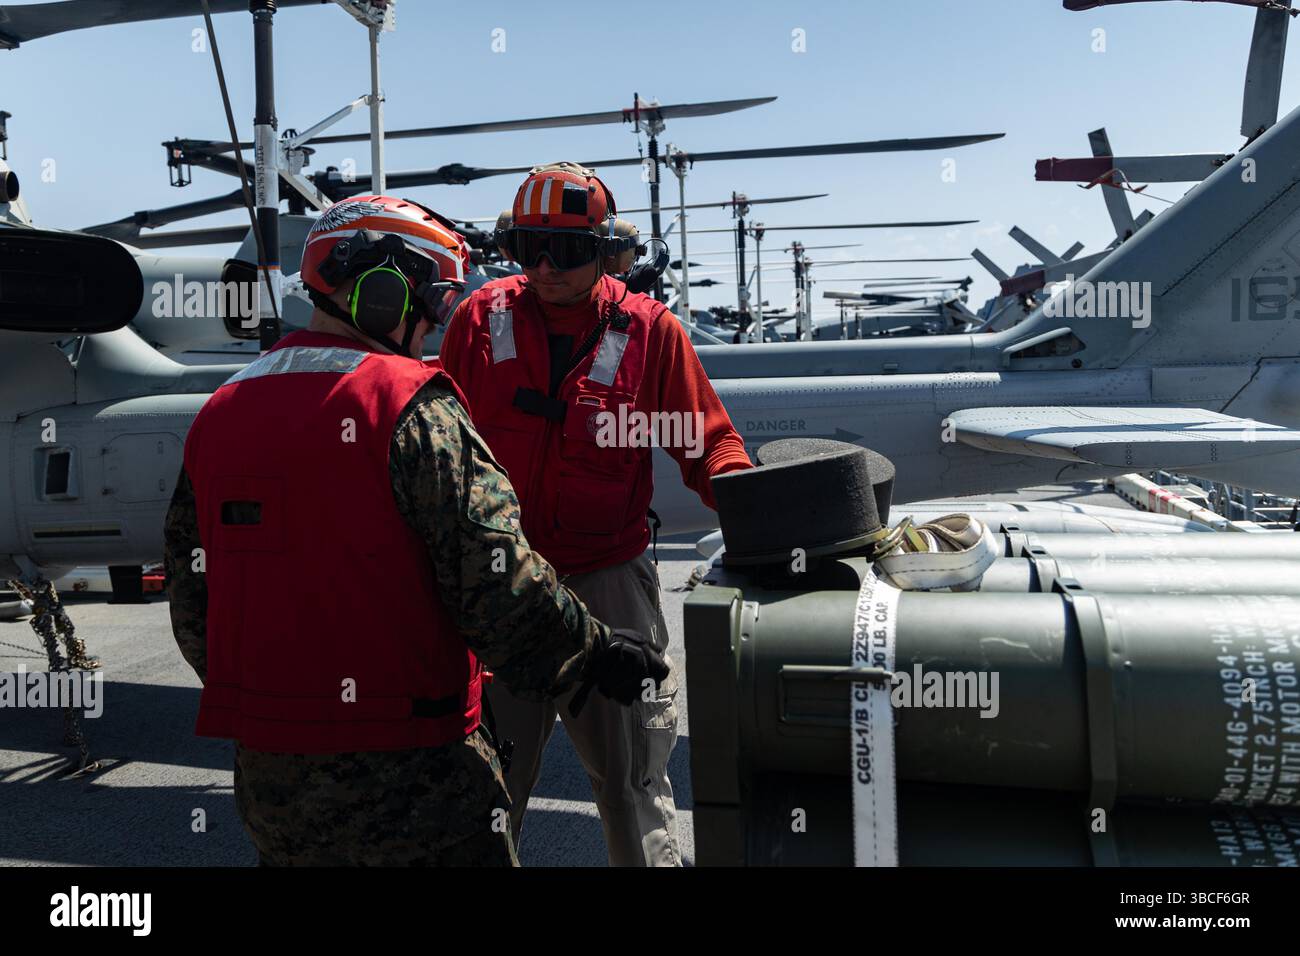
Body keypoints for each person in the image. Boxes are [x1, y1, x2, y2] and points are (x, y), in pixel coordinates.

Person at [164, 195, 668, 866]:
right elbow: (495, 584)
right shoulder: (410, 407)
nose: (435, 322)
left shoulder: (220, 412)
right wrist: (598, 651)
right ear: (385, 289)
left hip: (270, 780)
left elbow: (193, 603)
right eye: (434, 298)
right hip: (417, 773)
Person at [440, 163, 752, 867]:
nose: (546, 268)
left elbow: (707, 442)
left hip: (609, 580)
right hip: (502, 586)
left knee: (632, 786)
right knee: (487, 788)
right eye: (529, 248)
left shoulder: (650, 332)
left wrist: (761, 514)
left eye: (569, 251)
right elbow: (437, 445)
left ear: (605, 249)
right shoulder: (477, 320)